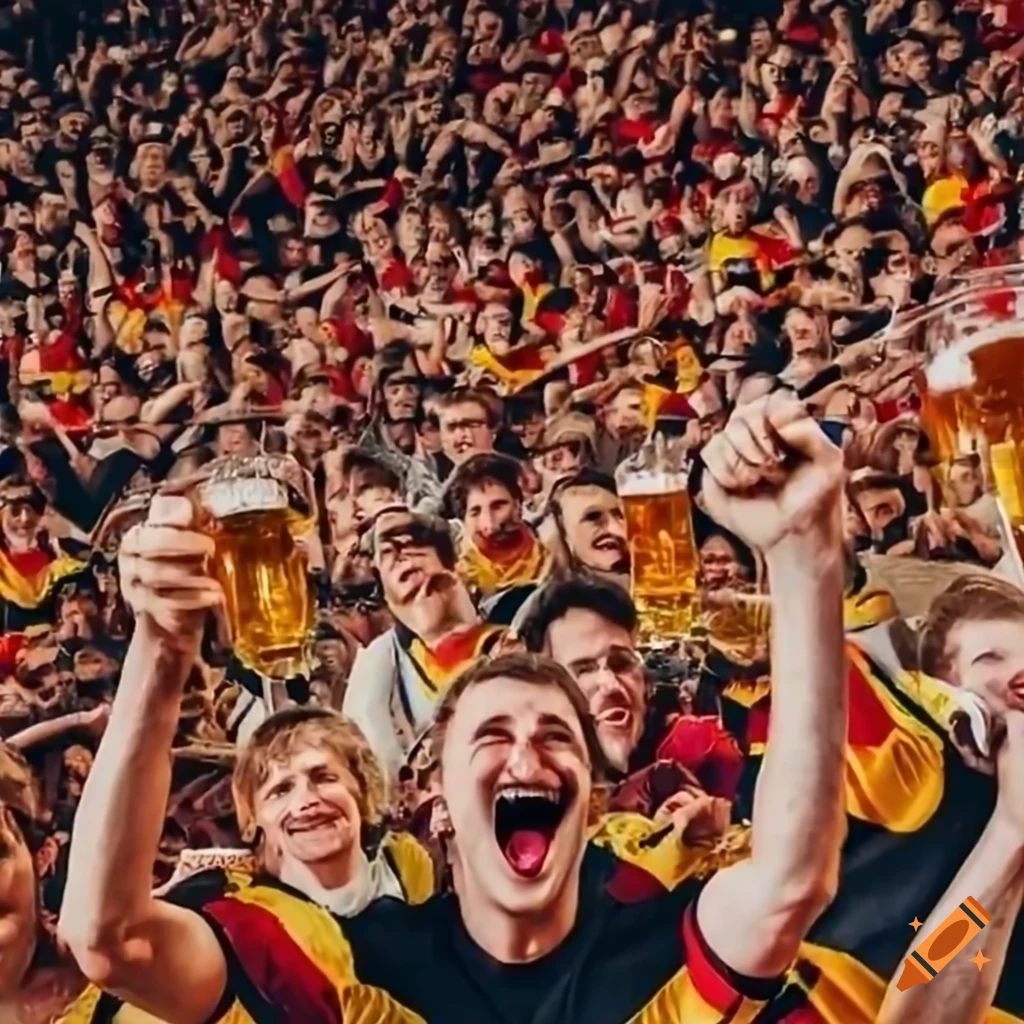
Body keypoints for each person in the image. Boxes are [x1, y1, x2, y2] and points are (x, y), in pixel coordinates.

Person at [59, 390, 850, 1024]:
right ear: (435, 800)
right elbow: (109, 937)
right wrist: (160, 654)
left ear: (592, 793)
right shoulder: (354, 964)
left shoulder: (660, 940)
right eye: (493, 734)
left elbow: (793, 877)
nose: (528, 755)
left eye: (556, 736)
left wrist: (804, 550)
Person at [342, 505, 506, 779]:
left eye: (414, 543)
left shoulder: (507, 641)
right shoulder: (378, 661)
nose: (402, 557)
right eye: (388, 553)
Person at [444, 452, 551, 616]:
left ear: (517, 504)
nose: (490, 525)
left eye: (498, 506)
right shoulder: (457, 582)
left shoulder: (554, 555)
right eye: (475, 512)